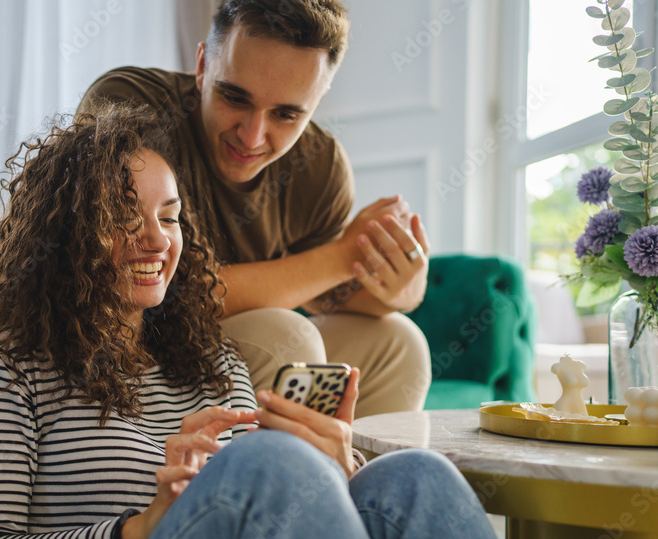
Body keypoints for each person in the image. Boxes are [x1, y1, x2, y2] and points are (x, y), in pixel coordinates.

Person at [0, 101, 554, 539]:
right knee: (263, 468)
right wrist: (141, 532)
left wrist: (335, 476)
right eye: (123, 216)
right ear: (66, 232)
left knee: (411, 481)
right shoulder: (3, 357)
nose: (157, 238)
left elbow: (279, 528)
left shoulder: (210, 359)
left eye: (170, 216)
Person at [78, 0, 432, 418]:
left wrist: (404, 289)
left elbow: (323, 292)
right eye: (235, 97)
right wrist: (340, 256)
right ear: (202, 64)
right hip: (133, 342)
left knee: (398, 344)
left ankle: (347, 476)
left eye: (286, 114)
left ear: (317, 100)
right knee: (284, 334)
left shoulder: (319, 165)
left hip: (218, 349)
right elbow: (159, 290)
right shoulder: (128, 106)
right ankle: (261, 480)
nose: (252, 136)